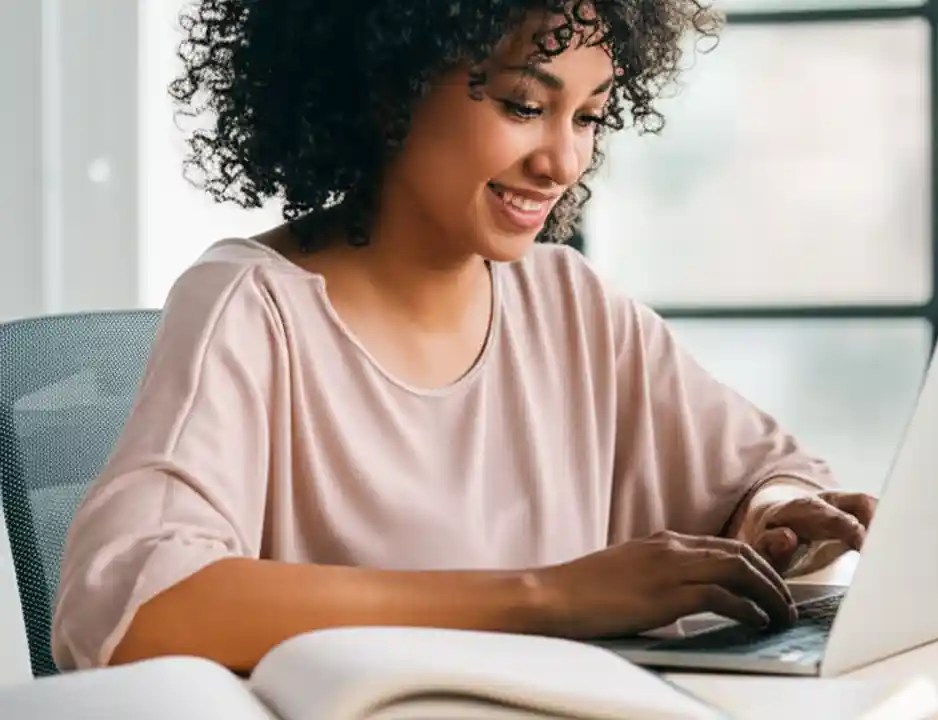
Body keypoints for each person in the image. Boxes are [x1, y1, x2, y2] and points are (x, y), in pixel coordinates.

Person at [51, 0, 877, 674]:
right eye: (526, 105)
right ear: (389, 86)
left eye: (588, 117)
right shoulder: (251, 308)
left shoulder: (571, 304)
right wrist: (547, 598)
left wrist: (779, 516)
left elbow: (762, 474)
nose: (563, 160)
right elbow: (134, 608)